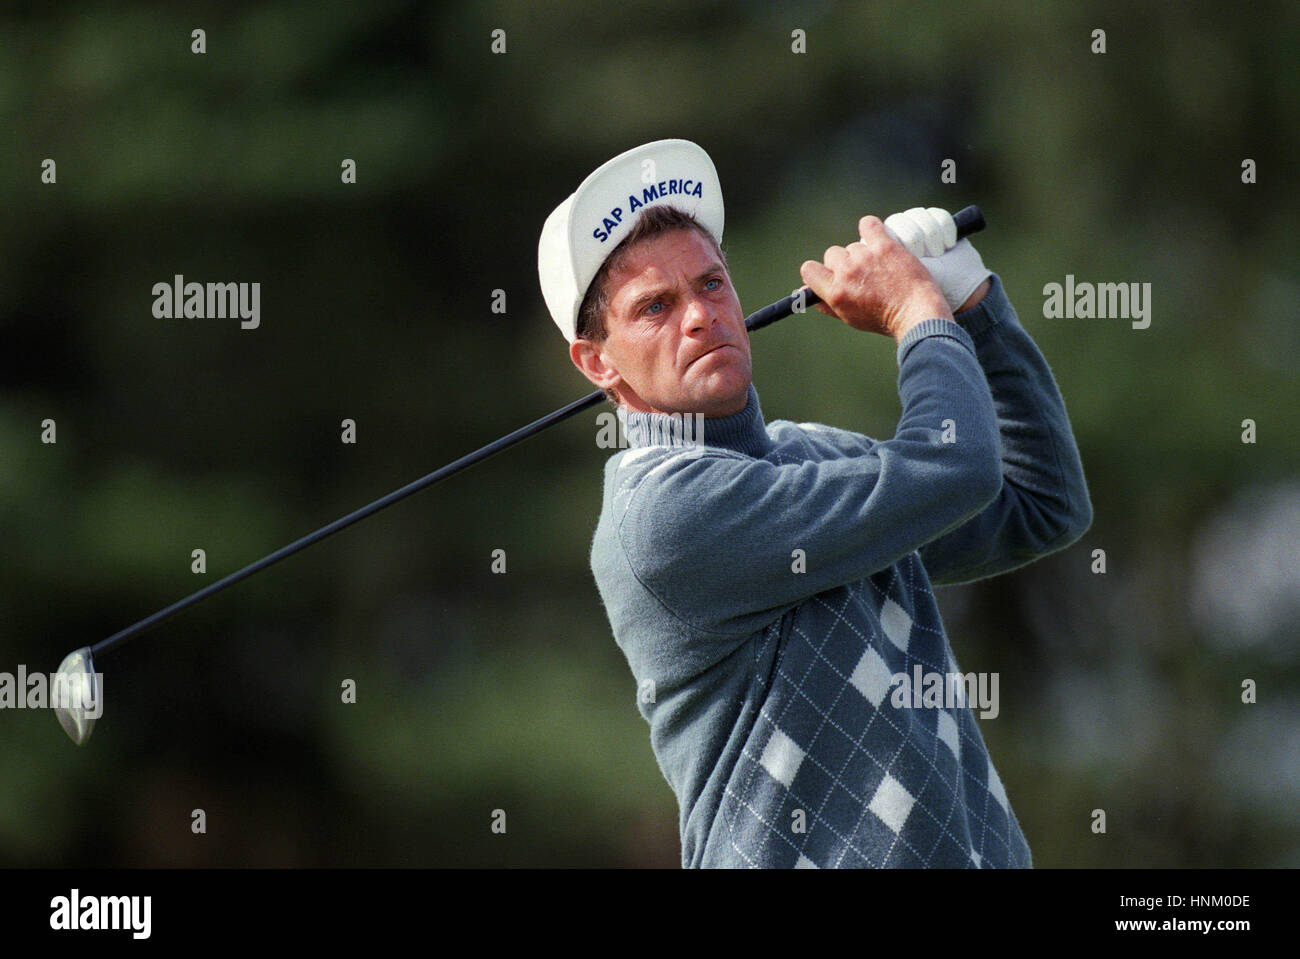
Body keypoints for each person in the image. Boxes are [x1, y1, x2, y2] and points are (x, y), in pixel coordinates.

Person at [537, 139, 1092, 868]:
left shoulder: (815, 454)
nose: (700, 316)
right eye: (655, 306)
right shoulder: (659, 519)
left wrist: (974, 305)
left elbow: (1041, 501)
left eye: (710, 284)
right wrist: (919, 312)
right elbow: (955, 463)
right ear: (598, 361)